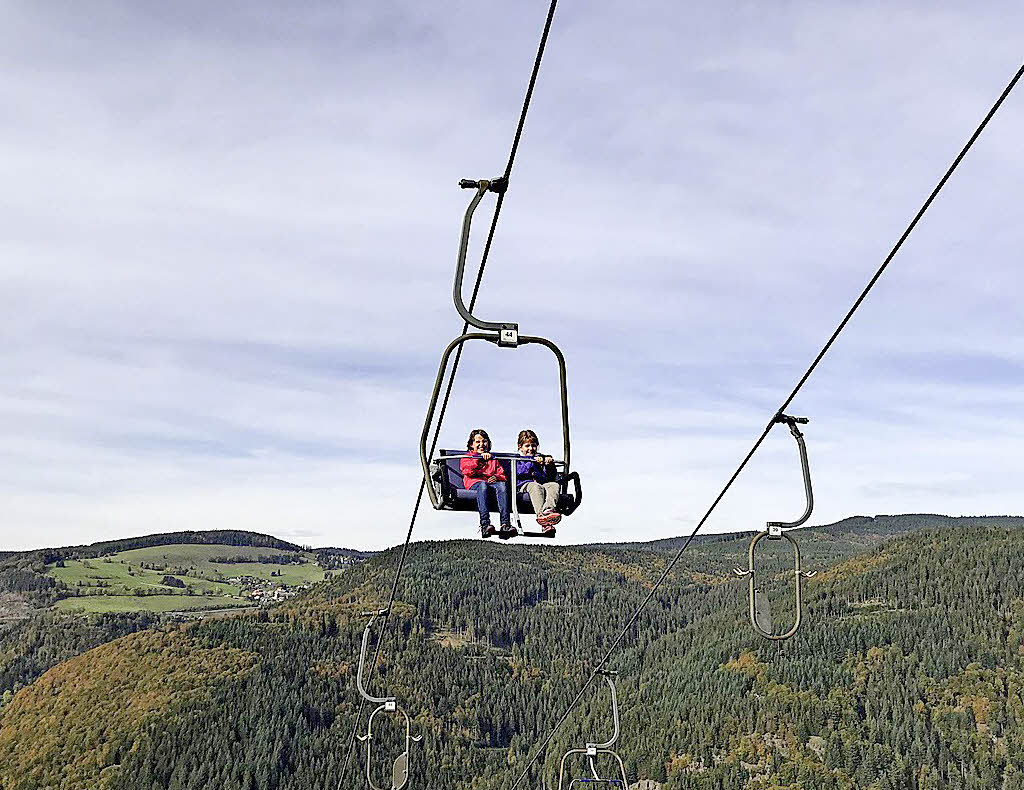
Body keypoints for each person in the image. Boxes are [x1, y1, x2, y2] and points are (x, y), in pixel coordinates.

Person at [460, 429, 513, 538]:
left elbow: (502, 475)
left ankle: (505, 524)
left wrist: (496, 477)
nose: (481, 445)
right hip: (475, 484)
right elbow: (467, 471)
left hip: (491, 484)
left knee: (502, 486)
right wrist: (478, 459)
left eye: (484, 441)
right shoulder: (467, 457)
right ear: (471, 444)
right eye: (477, 442)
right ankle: (485, 524)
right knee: (483, 486)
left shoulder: (492, 459)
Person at [515, 429, 562, 530]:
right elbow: (520, 473)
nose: (531, 448)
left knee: (554, 485)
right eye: (527, 446)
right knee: (535, 486)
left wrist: (549, 465)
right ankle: (542, 517)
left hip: (541, 484)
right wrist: (532, 462)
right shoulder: (517, 460)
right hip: (524, 485)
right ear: (520, 447)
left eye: (533, 445)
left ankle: (548, 510)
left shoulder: (540, 458)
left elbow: (548, 477)